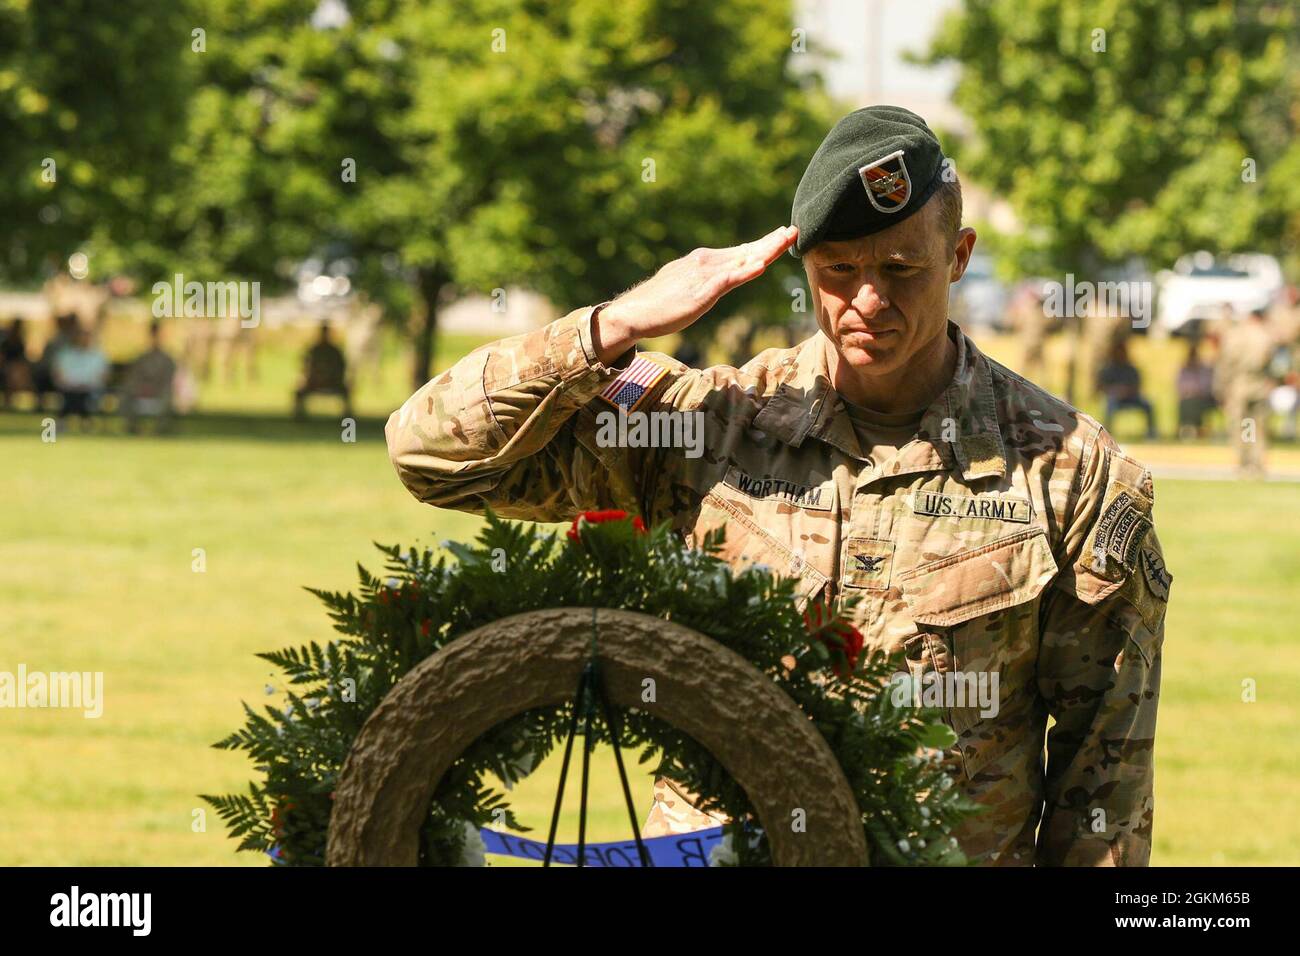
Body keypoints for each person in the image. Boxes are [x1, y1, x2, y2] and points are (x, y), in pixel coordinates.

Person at [385, 106, 1170, 866]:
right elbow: (429, 454)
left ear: (959, 257)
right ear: (803, 266)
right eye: (839, 271)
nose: (868, 302)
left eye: (901, 270)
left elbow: (1105, 777)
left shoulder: (1069, 470)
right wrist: (611, 327)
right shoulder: (704, 426)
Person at [1215, 308, 1278, 478]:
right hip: (1260, 384)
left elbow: (1226, 363)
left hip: (1239, 384)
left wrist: (1221, 387)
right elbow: (1273, 363)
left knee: (1241, 426)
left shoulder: (1236, 335)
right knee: (1258, 426)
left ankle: (1244, 463)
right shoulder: (1266, 335)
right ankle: (1257, 464)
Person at [123, 321, 178, 433]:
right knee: (126, 394)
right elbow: (134, 378)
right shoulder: (142, 358)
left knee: (167, 396)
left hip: (159, 392)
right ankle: (133, 428)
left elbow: (167, 381)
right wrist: (140, 388)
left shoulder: (167, 360)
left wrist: (154, 389)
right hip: (141, 391)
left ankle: (160, 430)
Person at [1097, 338, 1157, 438]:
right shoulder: (1109, 369)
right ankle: (1107, 433)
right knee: (1110, 404)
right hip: (1115, 398)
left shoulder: (1131, 369)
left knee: (1148, 404)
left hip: (1132, 397)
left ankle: (1151, 432)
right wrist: (1116, 390)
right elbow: (1102, 387)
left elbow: (1137, 385)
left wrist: (1126, 391)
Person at [52, 324, 109, 428]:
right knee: (74, 395)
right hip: (68, 388)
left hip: (90, 389)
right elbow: (58, 375)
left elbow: (102, 377)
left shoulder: (99, 356)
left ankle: (62, 419)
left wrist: (86, 385)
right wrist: (71, 385)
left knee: (79, 396)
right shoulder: (65, 354)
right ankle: (86, 421)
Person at [294, 323, 352, 420]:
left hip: (332, 382)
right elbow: (306, 366)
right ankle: (299, 417)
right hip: (315, 381)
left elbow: (341, 368)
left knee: (347, 390)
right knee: (299, 391)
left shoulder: (334, 351)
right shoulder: (315, 350)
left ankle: (347, 416)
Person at [1175, 338, 1217, 439]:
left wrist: (1195, 391)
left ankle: (1198, 429)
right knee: (1185, 403)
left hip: (1203, 398)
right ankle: (1185, 429)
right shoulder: (1184, 369)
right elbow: (1179, 385)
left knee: (1195, 403)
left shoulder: (1204, 369)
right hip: (1188, 398)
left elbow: (1206, 386)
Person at [1, 319, 34, 409]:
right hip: (8, 367)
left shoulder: (20, 341)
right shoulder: (7, 342)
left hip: (17, 367)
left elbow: (22, 357)